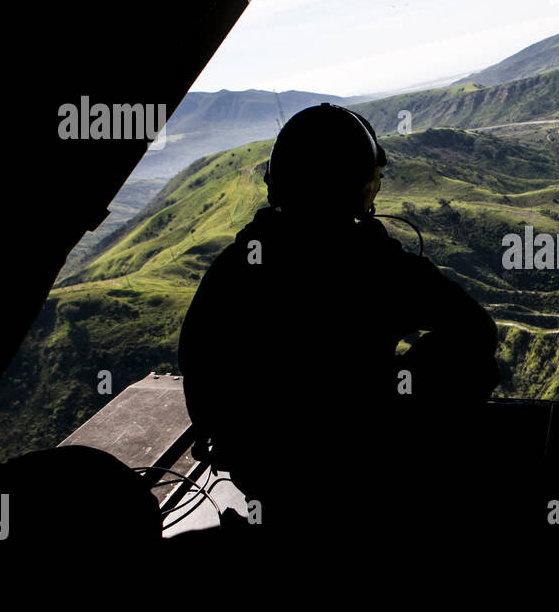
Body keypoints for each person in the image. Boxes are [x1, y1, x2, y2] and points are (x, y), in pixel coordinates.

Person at [177, 104, 499, 530]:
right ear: (362, 187)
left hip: (264, 476)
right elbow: (474, 329)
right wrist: (403, 382)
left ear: (278, 185)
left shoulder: (238, 263)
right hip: (360, 463)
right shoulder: (375, 265)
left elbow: (197, 360)